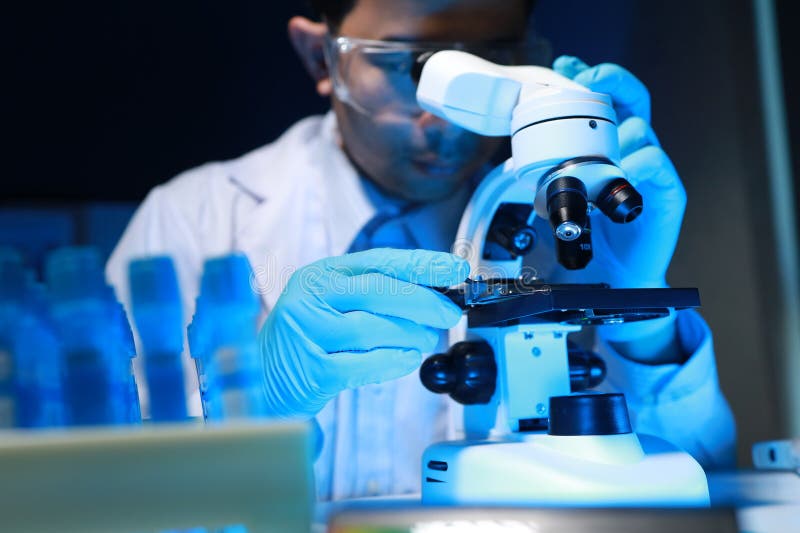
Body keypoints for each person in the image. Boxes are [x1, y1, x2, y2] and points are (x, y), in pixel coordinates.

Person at [106, 0, 736, 500]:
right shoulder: (195, 219)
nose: (449, 121)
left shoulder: (556, 214)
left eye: (495, 60)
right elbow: (100, 500)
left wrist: (639, 319)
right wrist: (250, 414)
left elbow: (710, 481)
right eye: (413, 66)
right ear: (321, 57)